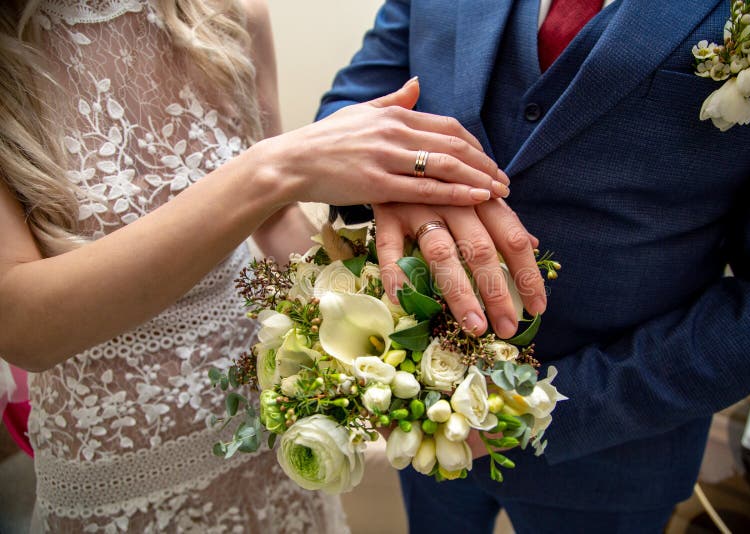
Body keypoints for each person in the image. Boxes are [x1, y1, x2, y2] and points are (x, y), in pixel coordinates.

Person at [0, 0, 510, 531]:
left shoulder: (228, 12)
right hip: (116, 465)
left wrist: (399, 353)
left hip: (270, 425)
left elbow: (275, 222)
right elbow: (21, 326)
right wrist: (272, 167)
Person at [317, 0, 750, 532]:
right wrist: (392, 185)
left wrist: (539, 407)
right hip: (417, 401)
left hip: (612, 455)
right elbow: (346, 109)